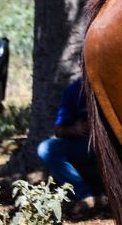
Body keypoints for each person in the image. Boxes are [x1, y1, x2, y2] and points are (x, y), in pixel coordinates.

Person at [37, 77, 96, 213]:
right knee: (46, 149)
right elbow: (59, 130)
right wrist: (75, 129)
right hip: (84, 147)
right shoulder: (74, 90)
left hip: (115, 148)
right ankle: (85, 195)